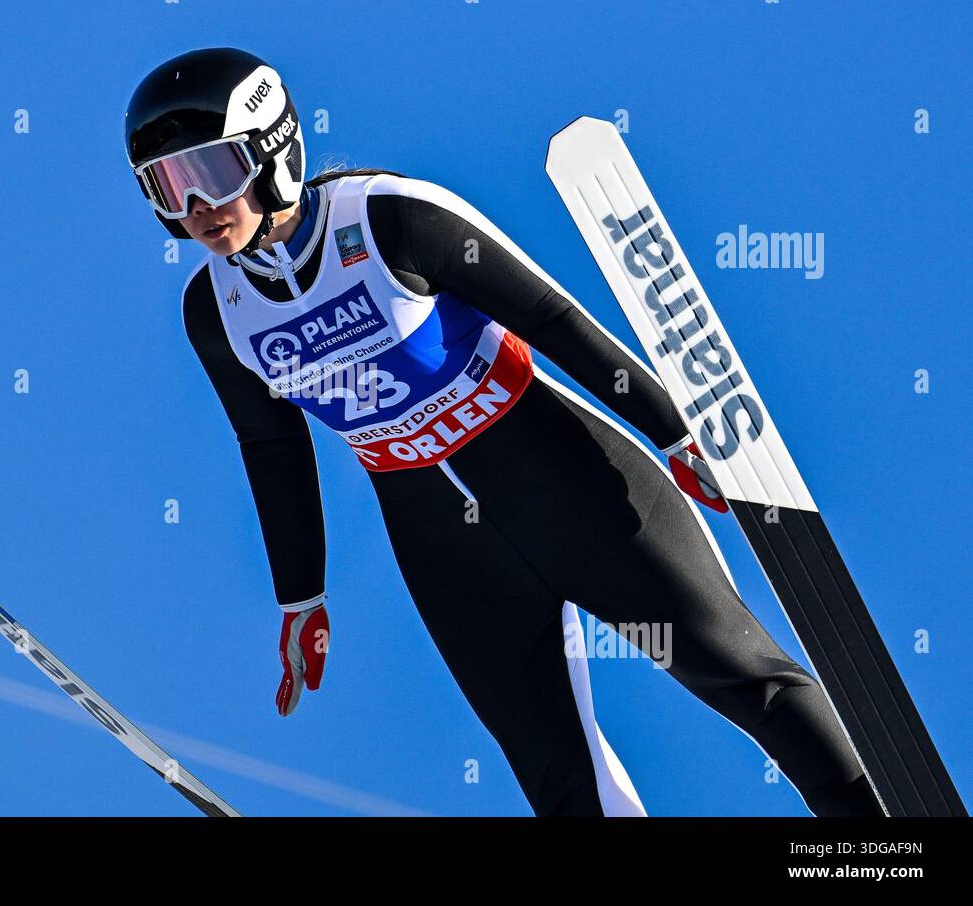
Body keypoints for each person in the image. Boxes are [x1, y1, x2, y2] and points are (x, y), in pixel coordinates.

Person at [124, 46, 883, 816]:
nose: (196, 209)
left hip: (569, 483)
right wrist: (301, 598)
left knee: (739, 673)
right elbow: (272, 447)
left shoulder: (389, 216)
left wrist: (673, 429)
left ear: (272, 148)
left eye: (211, 174)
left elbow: (551, 316)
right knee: (556, 777)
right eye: (167, 189)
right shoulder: (215, 314)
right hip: (449, 552)